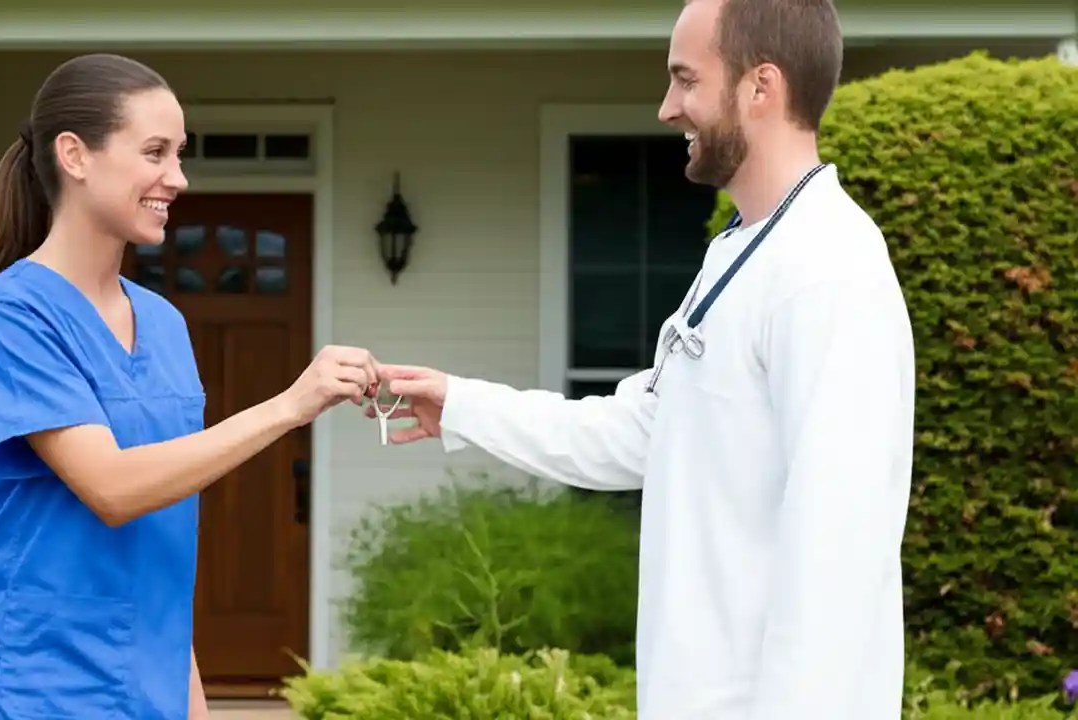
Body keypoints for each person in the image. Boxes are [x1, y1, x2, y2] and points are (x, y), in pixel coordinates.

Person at [374, 0, 915, 718]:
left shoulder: (828, 270)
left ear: (762, 87)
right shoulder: (742, 250)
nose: (668, 108)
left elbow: (836, 552)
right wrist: (464, 405)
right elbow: (646, 431)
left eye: (686, 79)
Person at [0, 53, 380, 719]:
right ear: (75, 156)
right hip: (35, 686)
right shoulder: (11, 318)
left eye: (179, 154)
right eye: (154, 152)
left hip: (149, 690)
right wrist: (290, 407)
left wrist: (191, 698)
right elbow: (114, 488)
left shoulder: (165, 324)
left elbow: (161, 532)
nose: (177, 178)